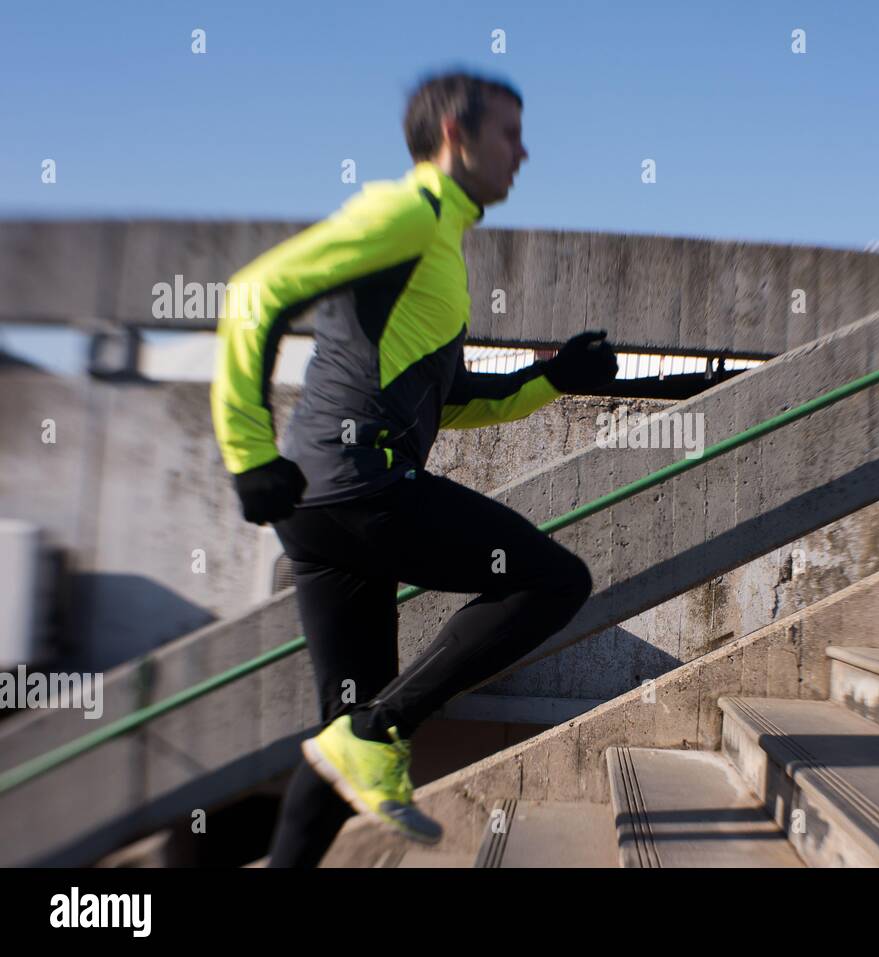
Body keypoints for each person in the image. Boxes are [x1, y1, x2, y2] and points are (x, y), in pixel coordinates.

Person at [209, 70, 618, 867]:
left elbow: (451, 400)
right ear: (456, 137)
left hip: (328, 511)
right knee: (552, 579)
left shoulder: (440, 243)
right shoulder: (408, 211)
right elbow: (255, 292)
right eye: (510, 133)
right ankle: (383, 729)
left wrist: (552, 378)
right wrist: (247, 449)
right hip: (356, 485)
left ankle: (359, 746)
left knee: (342, 739)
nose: (524, 152)